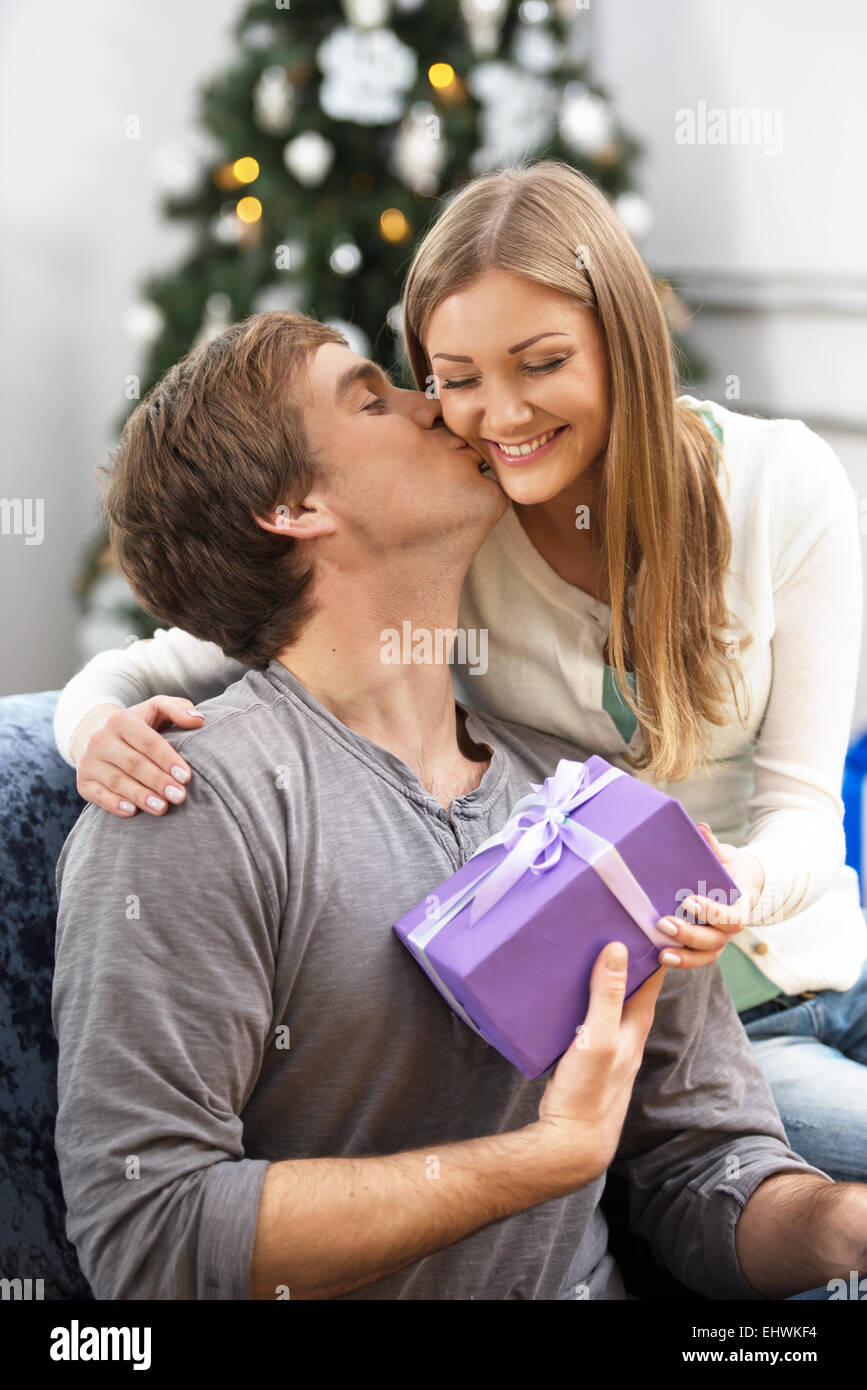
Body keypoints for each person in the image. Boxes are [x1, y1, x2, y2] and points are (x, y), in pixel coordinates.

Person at [55, 160, 867, 1183]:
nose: (492, 416)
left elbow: (806, 810)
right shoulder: (457, 529)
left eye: (542, 362)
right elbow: (150, 664)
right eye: (455, 376)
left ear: (620, 337)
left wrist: (737, 877)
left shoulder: (779, 485)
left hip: (827, 958)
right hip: (716, 1046)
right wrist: (92, 732)